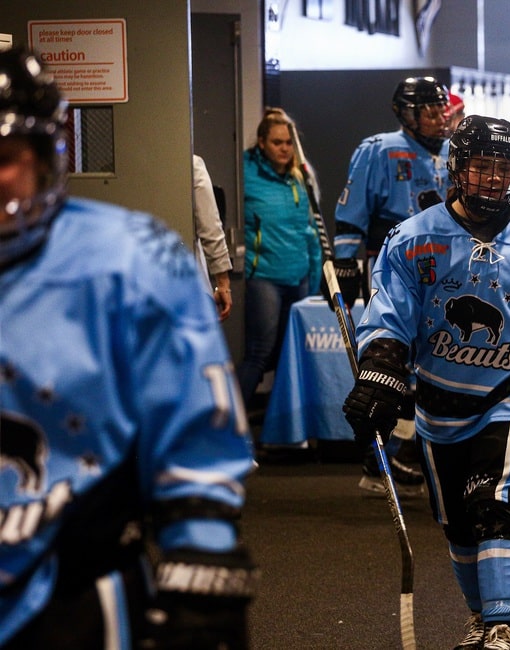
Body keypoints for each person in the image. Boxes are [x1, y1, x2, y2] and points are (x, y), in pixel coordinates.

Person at [0, 46, 258, 648]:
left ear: (43, 160)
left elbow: (196, 434)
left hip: (72, 586)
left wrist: (201, 559)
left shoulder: (130, 260)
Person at [341, 115, 510, 650]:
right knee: (459, 527)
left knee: (497, 510)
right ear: (457, 168)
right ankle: (482, 619)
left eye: (502, 167)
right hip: (439, 407)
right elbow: (390, 315)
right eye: (481, 165)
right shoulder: (413, 238)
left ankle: (504, 626)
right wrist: (381, 369)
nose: (491, 178)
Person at [334, 75, 451, 494]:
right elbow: (352, 213)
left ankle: (403, 448)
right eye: (430, 110)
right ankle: (378, 452)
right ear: (406, 113)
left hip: (441, 271)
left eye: (442, 109)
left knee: (433, 359)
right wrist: (346, 266)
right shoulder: (380, 149)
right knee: (391, 357)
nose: (440, 117)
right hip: (392, 264)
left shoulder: (451, 152)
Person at [237, 107, 322, 411]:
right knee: (260, 353)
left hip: (298, 275)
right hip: (265, 278)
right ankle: (230, 431)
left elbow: (310, 232)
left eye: (288, 142)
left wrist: (313, 282)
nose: (284, 148)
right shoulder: (244, 171)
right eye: (276, 142)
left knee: (290, 356)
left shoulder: (299, 176)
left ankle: (283, 430)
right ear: (261, 143)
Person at [193, 153, 233, 321]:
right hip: (188, 284)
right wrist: (223, 283)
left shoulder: (119, 166)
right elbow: (210, 227)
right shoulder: (189, 164)